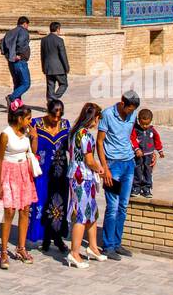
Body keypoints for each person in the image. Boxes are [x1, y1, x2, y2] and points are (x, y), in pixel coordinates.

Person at [97, 90, 142, 258]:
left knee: (123, 206)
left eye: (133, 110)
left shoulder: (133, 114)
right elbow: (99, 142)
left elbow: (131, 134)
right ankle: (108, 246)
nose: (131, 112)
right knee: (112, 207)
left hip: (128, 164)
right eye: (129, 109)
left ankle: (117, 242)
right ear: (122, 103)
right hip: (113, 166)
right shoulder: (107, 115)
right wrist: (105, 168)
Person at [0, 102, 38, 268]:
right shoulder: (5, 134)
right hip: (9, 172)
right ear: (19, 118)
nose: (30, 121)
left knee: (25, 210)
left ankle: (21, 247)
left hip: (24, 172)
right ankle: (3, 251)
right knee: (9, 211)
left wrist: (34, 137)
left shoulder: (27, 133)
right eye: (28, 119)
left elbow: (33, 151)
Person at [66, 102, 106, 268]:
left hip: (81, 177)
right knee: (81, 214)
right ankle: (74, 253)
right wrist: (100, 168)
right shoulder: (85, 135)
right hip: (81, 178)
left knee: (92, 212)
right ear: (94, 118)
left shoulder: (75, 132)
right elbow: (89, 160)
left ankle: (93, 247)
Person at [28, 98, 70, 251]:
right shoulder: (36, 124)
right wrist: (34, 138)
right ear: (48, 112)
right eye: (54, 116)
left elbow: (69, 147)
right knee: (42, 202)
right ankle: (44, 237)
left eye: (59, 116)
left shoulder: (65, 125)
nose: (56, 120)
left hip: (60, 172)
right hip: (42, 172)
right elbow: (33, 150)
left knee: (59, 203)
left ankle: (57, 237)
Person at [131, 108, 164, 197]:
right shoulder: (136, 130)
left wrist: (160, 150)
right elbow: (132, 140)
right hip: (138, 155)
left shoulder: (152, 130)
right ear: (139, 121)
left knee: (147, 171)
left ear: (151, 121)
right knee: (137, 170)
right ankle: (136, 187)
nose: (145, 126)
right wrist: (136, 149)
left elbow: (157, 140)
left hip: (149, 155)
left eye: (147, 124)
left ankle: (147, 188)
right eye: (142, 124)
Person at [0, 15, 31, 103]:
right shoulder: (23, 31)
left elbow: (1, 44)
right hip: (20, 61)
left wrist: (8, 56)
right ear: (25, 24)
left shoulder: (9, 32)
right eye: (27, 25)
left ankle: (16, 104)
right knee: (26, 83)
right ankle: (11, 98)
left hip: (11, 62)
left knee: (17, 83)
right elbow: (21, 44)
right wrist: (19, 55)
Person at [40, 22, 69, 103]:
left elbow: (42, 55)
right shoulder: (59, 40)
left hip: (48, 67)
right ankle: (53, 99)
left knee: (50, 86)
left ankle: (50, 103)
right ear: (58, 29)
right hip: (58, 68)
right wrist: (66, 67)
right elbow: (63, 55)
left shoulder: (44, 40)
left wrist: (43, 67)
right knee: (64, 84)